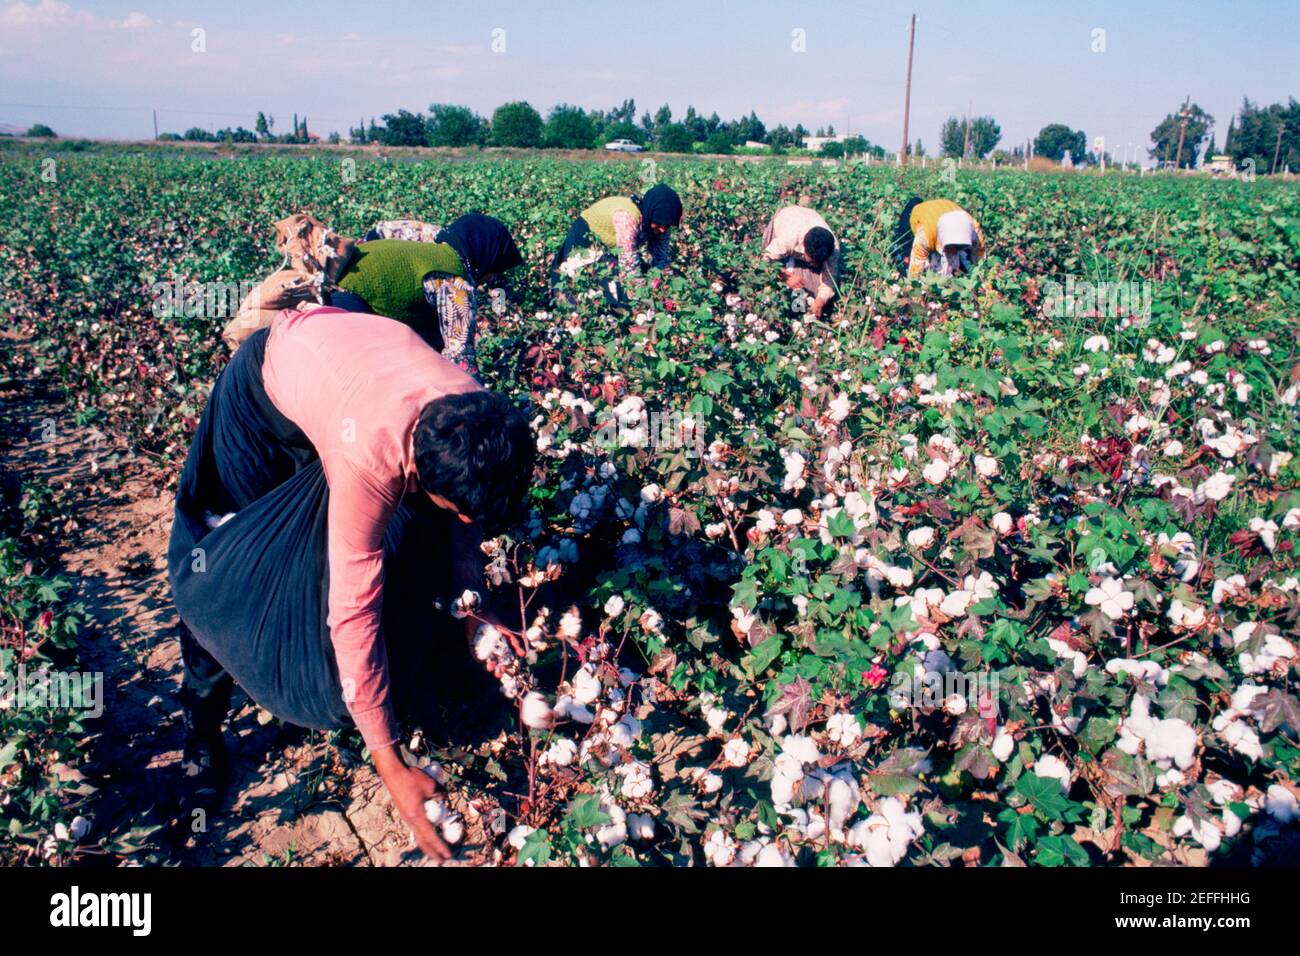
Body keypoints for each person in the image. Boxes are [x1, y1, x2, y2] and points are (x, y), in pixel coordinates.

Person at [168, 306, 534, 862]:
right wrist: (390, 765)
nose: (461, 517)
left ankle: (385, 678)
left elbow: (466, 517)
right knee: (232, 565)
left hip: (342, 384)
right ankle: (202, 726)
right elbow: (354, 607)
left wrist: (474, 602)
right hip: (262, 400)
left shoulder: (475, 414)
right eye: (451, 505)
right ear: (417, 471)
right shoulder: (373, 455)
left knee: (414, 539)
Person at [226, 213, 523, 377]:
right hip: (347, 313)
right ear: (486, 256)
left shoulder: (417, 238)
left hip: (323, 292)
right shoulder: (457, 281)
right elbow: (460, 363)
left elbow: (377, 231)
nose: (492, 280)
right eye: (495, 271)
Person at [549, 184, 682, 306]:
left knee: (619, 283)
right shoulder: (627, 218)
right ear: (651, 213)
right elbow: (629, 268)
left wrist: (669, 286)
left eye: (667, 226)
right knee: (585, 287)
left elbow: (661, 260)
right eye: (659, 225)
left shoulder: (661, 222)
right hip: (585, 237)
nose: (663, 230)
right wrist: (643, 302)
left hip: (610, 247)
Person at [761, 204, 841, 316]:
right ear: (804, 248)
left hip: (810, 216)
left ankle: (801, 312)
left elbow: (830, 278)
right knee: (788, 281)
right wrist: (785, 275)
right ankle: (791, 314)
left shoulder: (833, 249)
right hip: (787, 217)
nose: (815, 264)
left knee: (812, 288)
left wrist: (821, 300)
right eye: (812, 260)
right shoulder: (787, 239)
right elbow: (764, 259)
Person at [892, 197, 985, 278]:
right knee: (902, 245)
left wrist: (979, 278)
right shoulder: (924, 236)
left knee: (964, 259)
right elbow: (914, 273)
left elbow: (979, 258)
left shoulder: (974, 229)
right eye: (952, 246)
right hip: (922, 213)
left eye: (959, 247)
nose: (954, 250)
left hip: (945, 207)